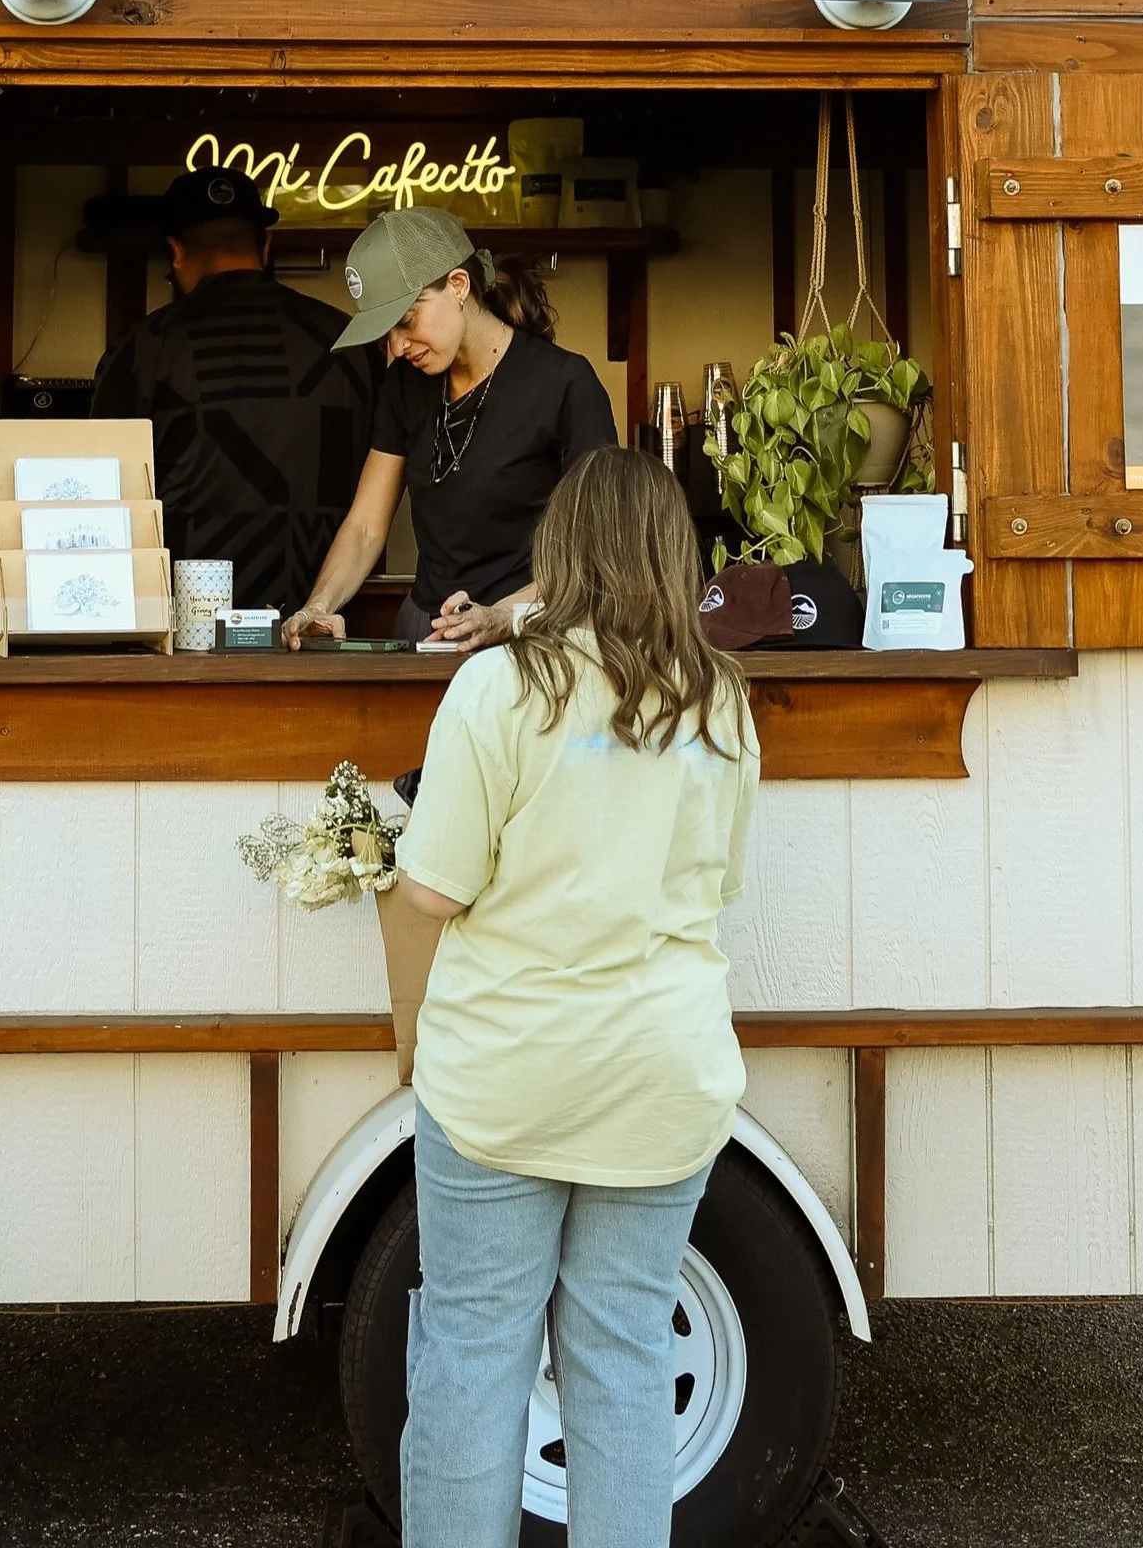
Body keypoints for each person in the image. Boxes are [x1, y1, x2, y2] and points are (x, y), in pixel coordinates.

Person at [390, 446, 760, 1548]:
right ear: (673, 555)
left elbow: (433, 888)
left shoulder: (498, 687)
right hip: (661, 1073)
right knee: (626, 1355)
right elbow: (719, 886)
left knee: (473, 1350)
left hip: (504, 1074)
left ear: (559, 553)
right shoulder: (721, 701)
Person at [279, 205, 615, 651]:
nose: (397, 346)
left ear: (458, 285)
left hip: (531, 634)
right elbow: (365, 527)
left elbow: (598, 551)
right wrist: (319, 605)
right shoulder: (404, 384)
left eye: (406, 321)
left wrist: (505, 616)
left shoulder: (565, 383)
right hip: (429, 631)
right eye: (384, 334)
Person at [91, 166, 378, 613]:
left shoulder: (142, 350)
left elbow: (103, 497)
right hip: (325, 617)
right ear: (265, 246)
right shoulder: (349, 342)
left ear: (175, 252)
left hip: (184, 621)